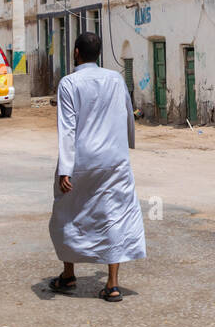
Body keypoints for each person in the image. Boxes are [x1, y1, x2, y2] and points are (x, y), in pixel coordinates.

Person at [47, 31, 146, 302]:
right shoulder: (115, 79)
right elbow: (127, 112)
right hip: (115, 160)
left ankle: (68, 275)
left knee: (68, 213)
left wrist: (65, 169)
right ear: (98, 54)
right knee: (115, 215)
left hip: (81, 161)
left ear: (76, 53)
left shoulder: (68, 83)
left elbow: (67, 128)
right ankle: (112, 285)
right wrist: (127, 145)